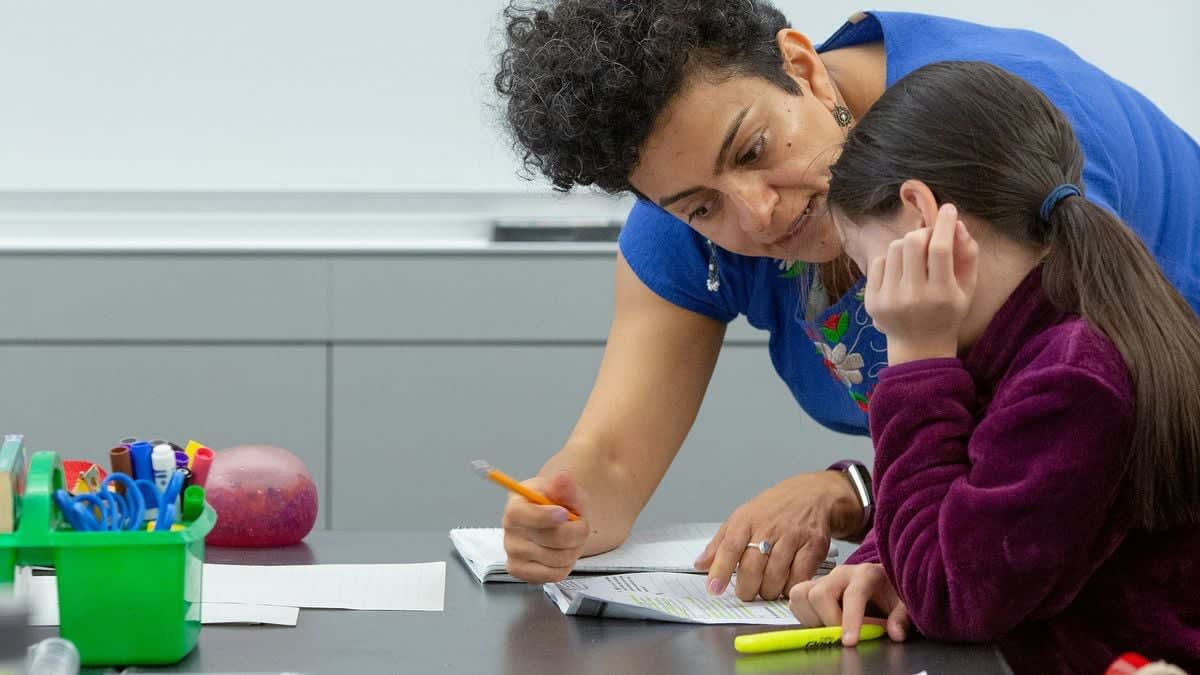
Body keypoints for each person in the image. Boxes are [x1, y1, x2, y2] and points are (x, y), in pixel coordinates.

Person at [492, 1, 1200, 601]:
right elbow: (613, 459)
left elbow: (1044, 455)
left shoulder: (991, 131)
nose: (757, 214)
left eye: (753, 150)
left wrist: (854, 496)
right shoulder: (689, 225)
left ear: (802, 66)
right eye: (701, 206)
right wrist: (563, 510)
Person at [785, 59, 1200, 674]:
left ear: (920, 216)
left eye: (864, 264)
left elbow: (954, 595)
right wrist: (882, 560)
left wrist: (916, 366)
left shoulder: (1070, 379)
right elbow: (968, 506)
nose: (869, 298)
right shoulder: (1048, 337)